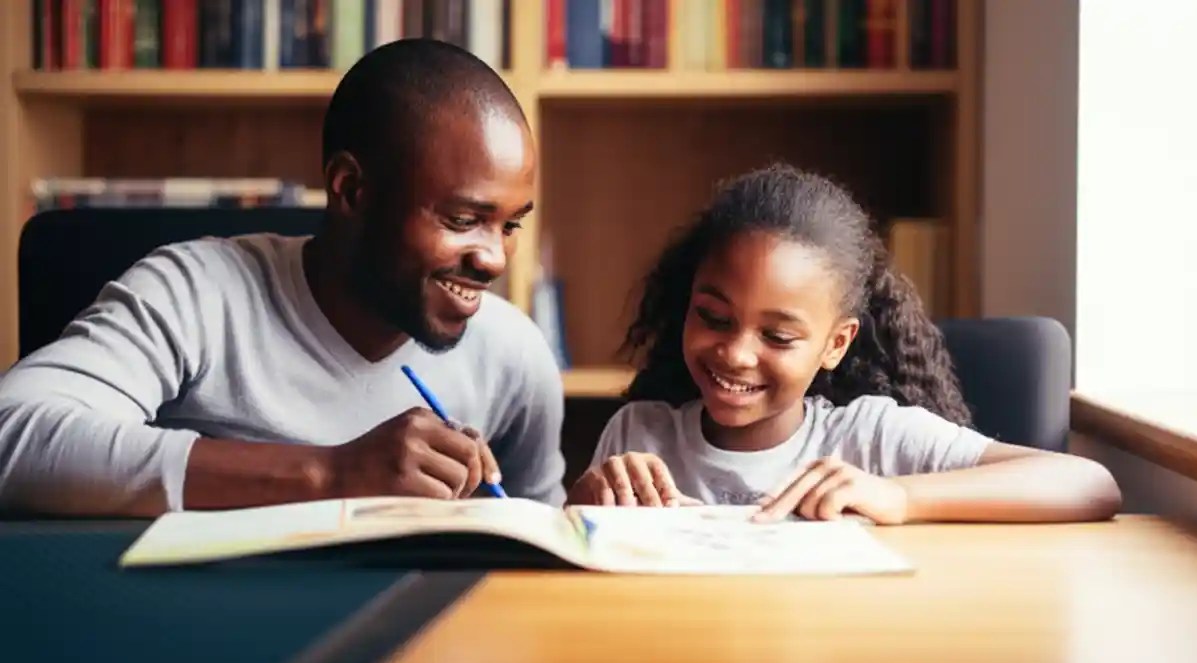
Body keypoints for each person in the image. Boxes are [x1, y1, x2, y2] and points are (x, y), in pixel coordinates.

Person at [0, 40, 567, 516]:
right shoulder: (199, 291)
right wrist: (329, 473)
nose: (493, 259)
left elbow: (535, 548)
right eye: (463, 221)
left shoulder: (514, 354)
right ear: (350, 190)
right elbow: (13, 433)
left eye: (509, 225)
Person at [567, 164, 1120, 524]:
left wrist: (900, 498)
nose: (736, 353)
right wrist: (583, 507)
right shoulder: (640, 433)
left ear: (835, 344)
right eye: (713, 317)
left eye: (778, 336)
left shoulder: (871, 437)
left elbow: (1090, 485)